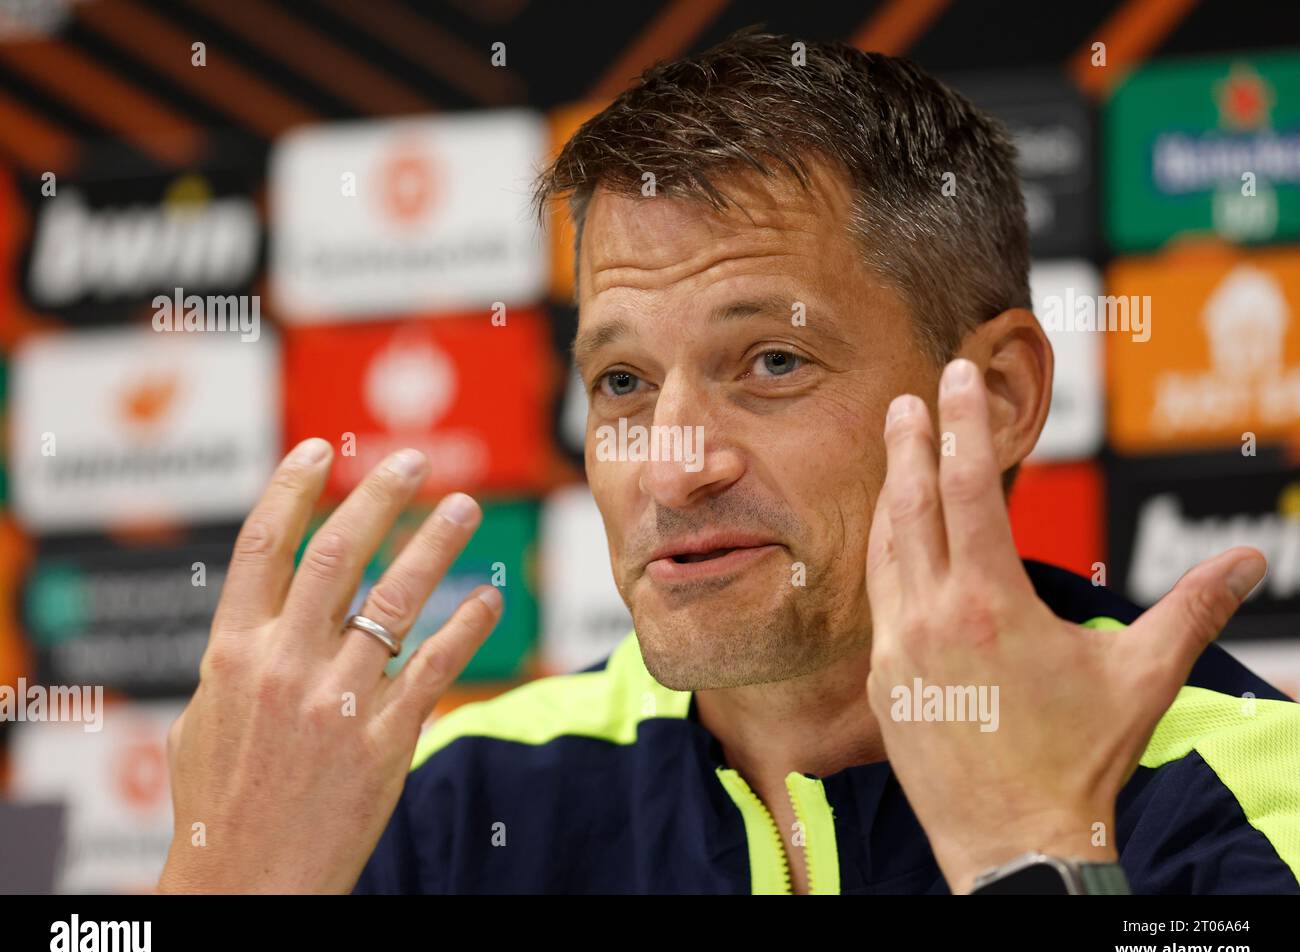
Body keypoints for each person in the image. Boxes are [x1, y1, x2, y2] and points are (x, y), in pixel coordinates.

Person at [157, 32, 1298, 895]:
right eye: (623, 384)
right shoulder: (445, 797)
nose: (671, 467)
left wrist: (1029, 853)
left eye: (770, 361)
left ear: (995, 399)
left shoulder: (1240, 781)